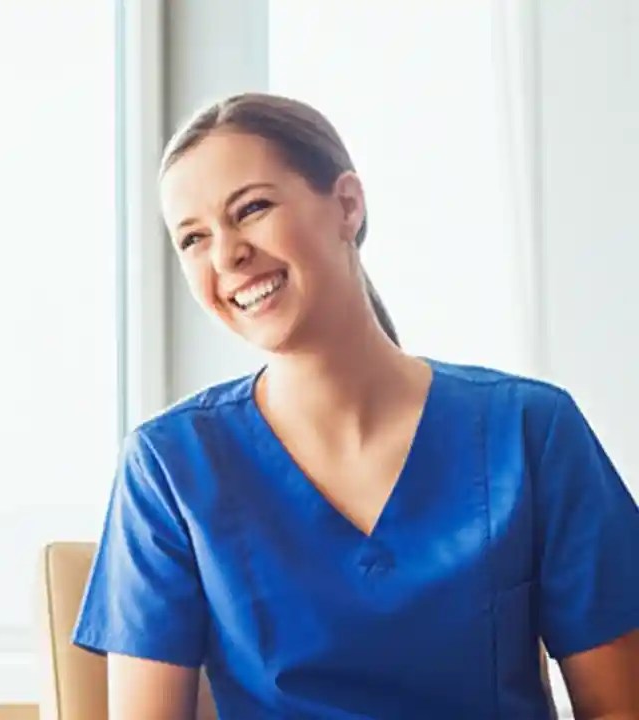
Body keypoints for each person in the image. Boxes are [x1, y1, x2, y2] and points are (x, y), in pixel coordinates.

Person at [73, 93, 639, 718]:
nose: (227, 253)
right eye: (193, 238)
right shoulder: (169, 466)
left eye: (252, 208)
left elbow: (619, 706)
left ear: (347, 204)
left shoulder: (530, 432)